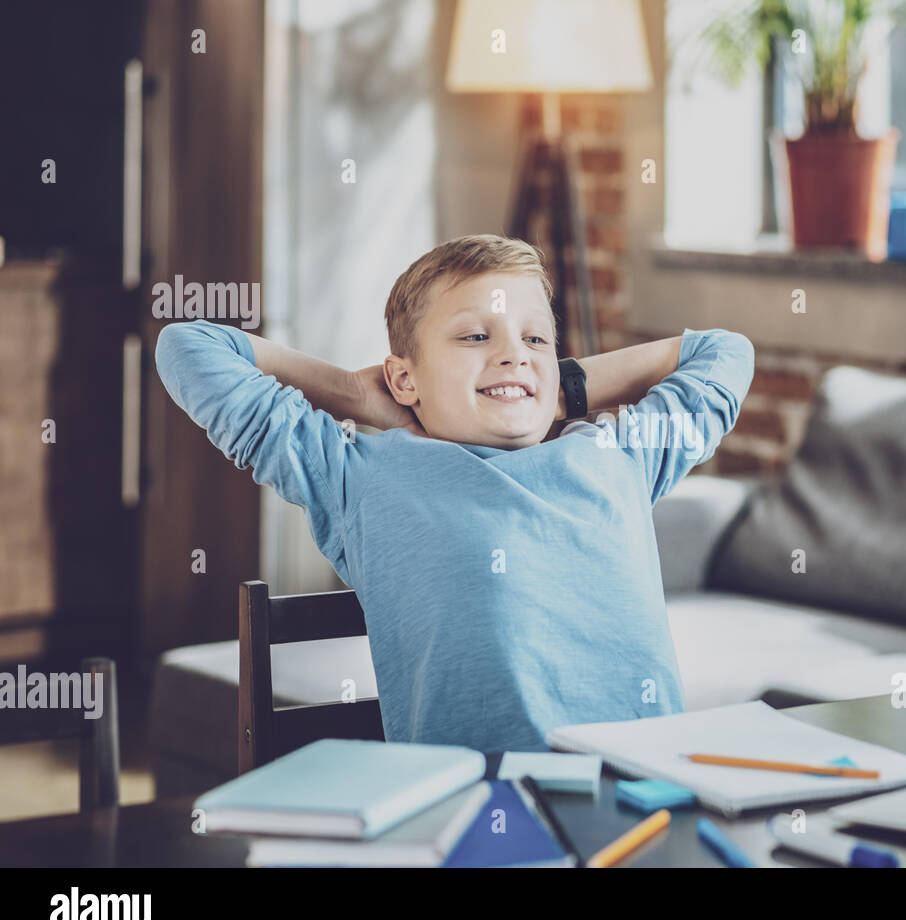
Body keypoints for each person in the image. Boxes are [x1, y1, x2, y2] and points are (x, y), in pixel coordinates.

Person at [154, 233, 754, 752]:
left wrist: (561, 387)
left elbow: (724, 352)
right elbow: (188, 347)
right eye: (473, 337)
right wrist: (353, 393)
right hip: (482, 811)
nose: (512, 353)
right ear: (404, 377)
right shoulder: (359, 477)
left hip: (649, 794)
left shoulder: (621, 454)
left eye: (535, 340)